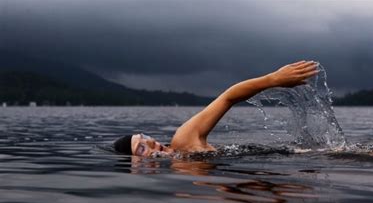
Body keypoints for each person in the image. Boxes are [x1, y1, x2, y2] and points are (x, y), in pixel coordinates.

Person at [113, 60, 319, 157]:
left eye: (144, 136)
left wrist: (273, 79)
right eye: (141, 147)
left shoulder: (183, 141)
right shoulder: (181, 172)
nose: (150, 141)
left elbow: (227, 97)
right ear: (136, 165)